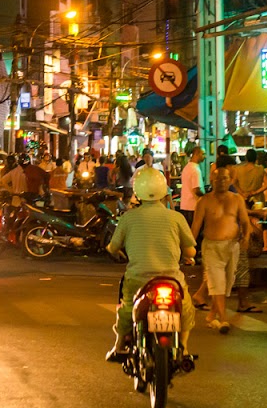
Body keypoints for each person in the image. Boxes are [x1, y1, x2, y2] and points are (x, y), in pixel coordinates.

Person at [105, 167, 197, 367]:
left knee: (127, 308)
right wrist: (187, 256)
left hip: (138, 278)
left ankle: (119, 345)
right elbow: (190, 251)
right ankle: (184, 348)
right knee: (186, 308)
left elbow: (112, 247)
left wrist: (116, 251)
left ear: (137, 193)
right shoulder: (176, 218)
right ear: (164, 192)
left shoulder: (128, 218)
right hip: (171, 279)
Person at [188, 158, 254, 334]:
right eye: (217, 179)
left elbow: (245, 222)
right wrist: (189, 248)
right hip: (211, 246)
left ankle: (212, 314)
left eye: (224, 178)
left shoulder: (237, 199)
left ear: (230, 180)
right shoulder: (204, 201)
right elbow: (196, 226)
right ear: (212, 181)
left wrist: (246, 237)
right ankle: (223, 318)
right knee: (217, 282)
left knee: (227, 283)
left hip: (232, 245)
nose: (221, 182)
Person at [178, 150, 205, 225]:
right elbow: (196, 190)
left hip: (185, 205)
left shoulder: (187, 167)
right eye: (203, 154)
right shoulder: (195, 170)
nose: (204, 156)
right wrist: (206, 197)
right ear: (196, 154)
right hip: (193, 206)